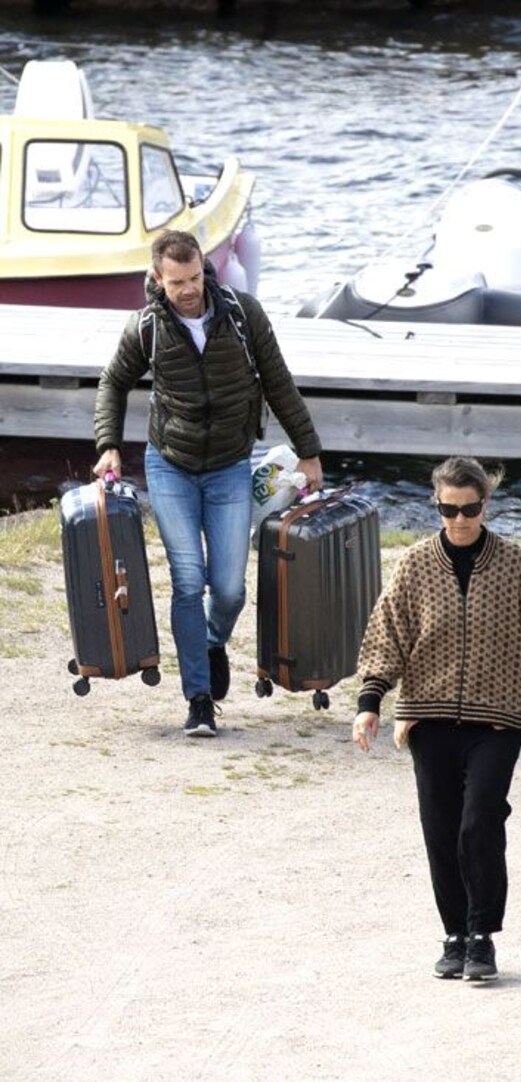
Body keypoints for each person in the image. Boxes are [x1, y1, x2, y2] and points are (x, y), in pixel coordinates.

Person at [352, 456, 521, 982]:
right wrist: (369, 704)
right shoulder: (413, 565)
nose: (458, 519)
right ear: (436, 504)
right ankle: (454, 936)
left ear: (486, 504)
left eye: (469, 508)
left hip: (498, 719)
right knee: (441, 828)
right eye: (447, 509)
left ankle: (483, 936)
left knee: (479, 824)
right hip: (427, 718)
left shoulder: (514, 564)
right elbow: (388, 636)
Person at [93, 230, 323, 738]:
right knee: (187, 580)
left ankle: (213, 640)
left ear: (204, 269)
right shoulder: (146, 327)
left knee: (229, 588)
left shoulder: (243, 315)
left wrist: (309, 452)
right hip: (169, 465)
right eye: (177, 282)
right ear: (158, 278)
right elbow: (112, 382)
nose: (189, 288)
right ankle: (199, 700)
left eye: (195, 277)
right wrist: (108, 443)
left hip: (228, 466)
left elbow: (279, 381)